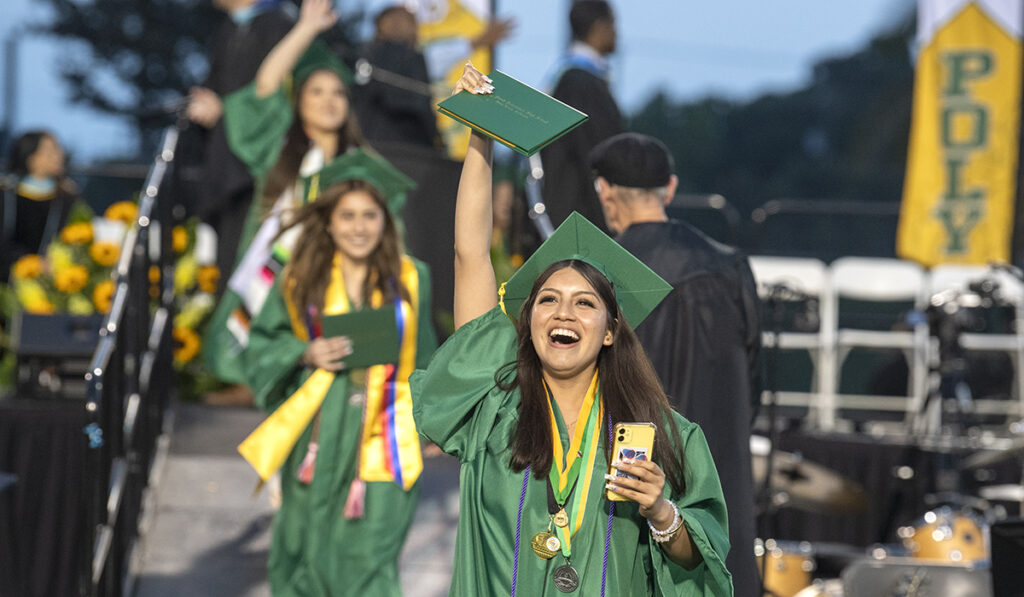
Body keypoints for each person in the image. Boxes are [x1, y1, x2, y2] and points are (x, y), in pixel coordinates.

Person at [410, 64, 732, 596]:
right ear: (528, 319)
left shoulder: (658, 434)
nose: (563, 313)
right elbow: (469, 257)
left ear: (610, 330)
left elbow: (702, 562)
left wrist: (660, 511)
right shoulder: (493, 408)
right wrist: (481, 134)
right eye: (548, 300)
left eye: (585, 303)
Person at [238, 150, 437, 595]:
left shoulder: (411, 279)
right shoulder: (298, 280)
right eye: (347, 216)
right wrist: (306, 351)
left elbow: (426, 356)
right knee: (305, 541)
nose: (359, 227)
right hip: (319, 427)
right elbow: (262, 346)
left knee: (373, 551)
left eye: (370, 215)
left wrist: (432, 426)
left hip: (387, 430)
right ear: (328, 222)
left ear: (386, 220)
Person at [590, 132, 762, 597]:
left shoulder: (604, 273)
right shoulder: (730, 265)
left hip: (637, 476)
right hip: (722, 475)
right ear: (669, 188)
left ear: (605, 192)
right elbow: (754, 382)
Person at [202, 0, 373, 393]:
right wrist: (306, 28)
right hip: (278, 276)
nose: (329, 100)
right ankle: (259, 378)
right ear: (298, 102)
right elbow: (264, 88)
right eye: (316, 91)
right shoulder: (278, 149)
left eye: (337, 93)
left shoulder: (360, 167)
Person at [186, 0, 295, 283]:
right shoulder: (229, 30)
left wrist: (227, 110)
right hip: (227, 168)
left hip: (257, 170)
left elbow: (271, 97)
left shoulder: (277, 25)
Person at [539, 0, 623, 233]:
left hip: (565, 211)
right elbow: (598, 156)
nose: (618, 33)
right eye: (614, 24)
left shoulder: (564, 78)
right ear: (599, 27)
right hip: (580, 217)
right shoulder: (581, 83)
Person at [351, 6, 441, 149]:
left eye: (406, 20)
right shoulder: (367, 57)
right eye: (393, 20)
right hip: (395, 146)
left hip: (410, 147)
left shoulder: (367, 55)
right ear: (381, 26)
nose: (398, 25)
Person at [1, 131, 80, 280]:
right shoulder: (6, 194)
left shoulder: (66, 198)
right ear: (31, 158)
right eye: (51, 150)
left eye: (58, 149)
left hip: (52, 282)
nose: (59, 155)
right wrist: (31, 263)